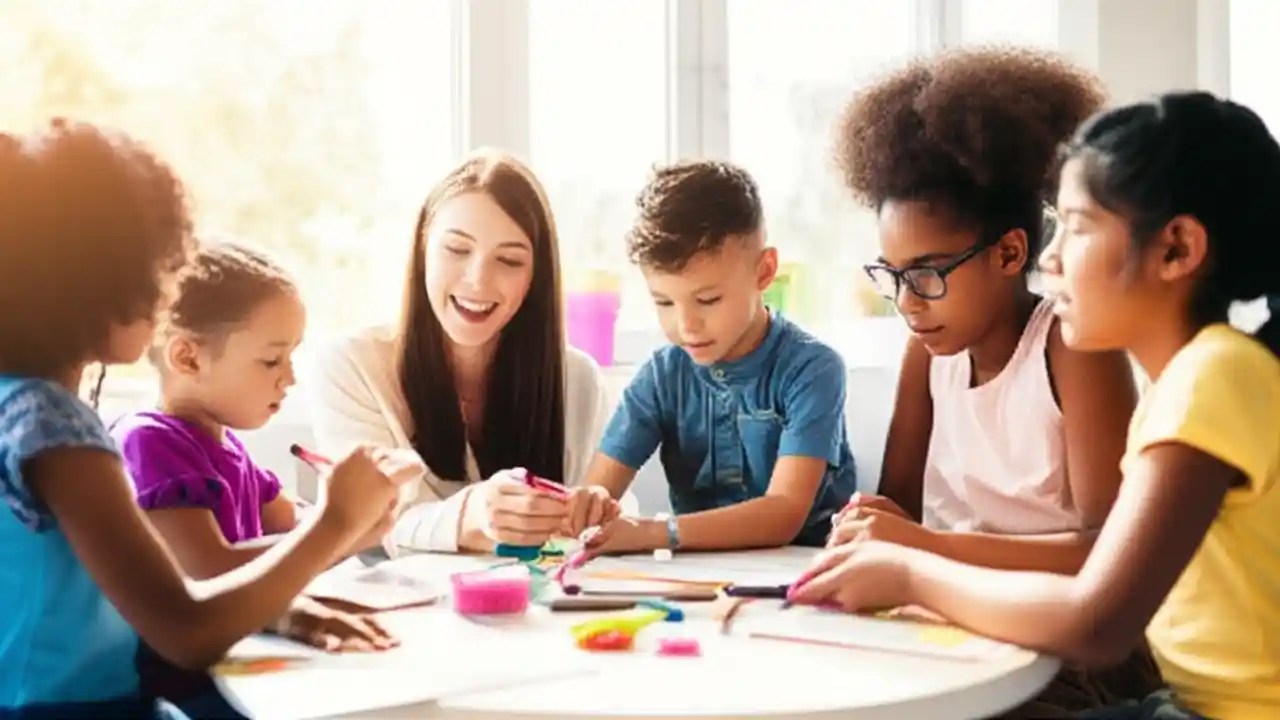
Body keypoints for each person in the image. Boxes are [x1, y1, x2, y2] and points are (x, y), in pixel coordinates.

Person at [793, 91, 1280, 720]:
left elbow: (1097, 625)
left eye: (1077, 228)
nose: (1050, 259)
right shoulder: (1196, 379)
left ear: (1176, 249)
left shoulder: (1211, 380)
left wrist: (912, 572)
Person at [0, 120, 413, 718]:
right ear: (94, 279)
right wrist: (334, 520)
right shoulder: (57, 430)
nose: (167, 295)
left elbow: (125, 606)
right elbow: (185, 632)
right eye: (160, 271)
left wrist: (279, 608)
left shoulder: (19, 407)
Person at [311, 150, 612, 555]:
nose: (478, 280)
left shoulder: (576, 379)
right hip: (393, 606)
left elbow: (589, 525)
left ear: (534, 278)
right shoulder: (349, 366)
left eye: (508, 260)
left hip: (537, 608)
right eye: (456, 250)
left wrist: (591, 514)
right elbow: (370, 523)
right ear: (422, 252)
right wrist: (474, 515)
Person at [567, 160, 857, 552]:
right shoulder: (659, 378)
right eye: (663, 301)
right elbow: (597, 489)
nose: (686, 325)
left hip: (807, 571)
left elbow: (784, 515)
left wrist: (655, 533)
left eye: (707, 300)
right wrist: (590, 505)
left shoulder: (813, 369)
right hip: (697, 580)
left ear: (764, 271)